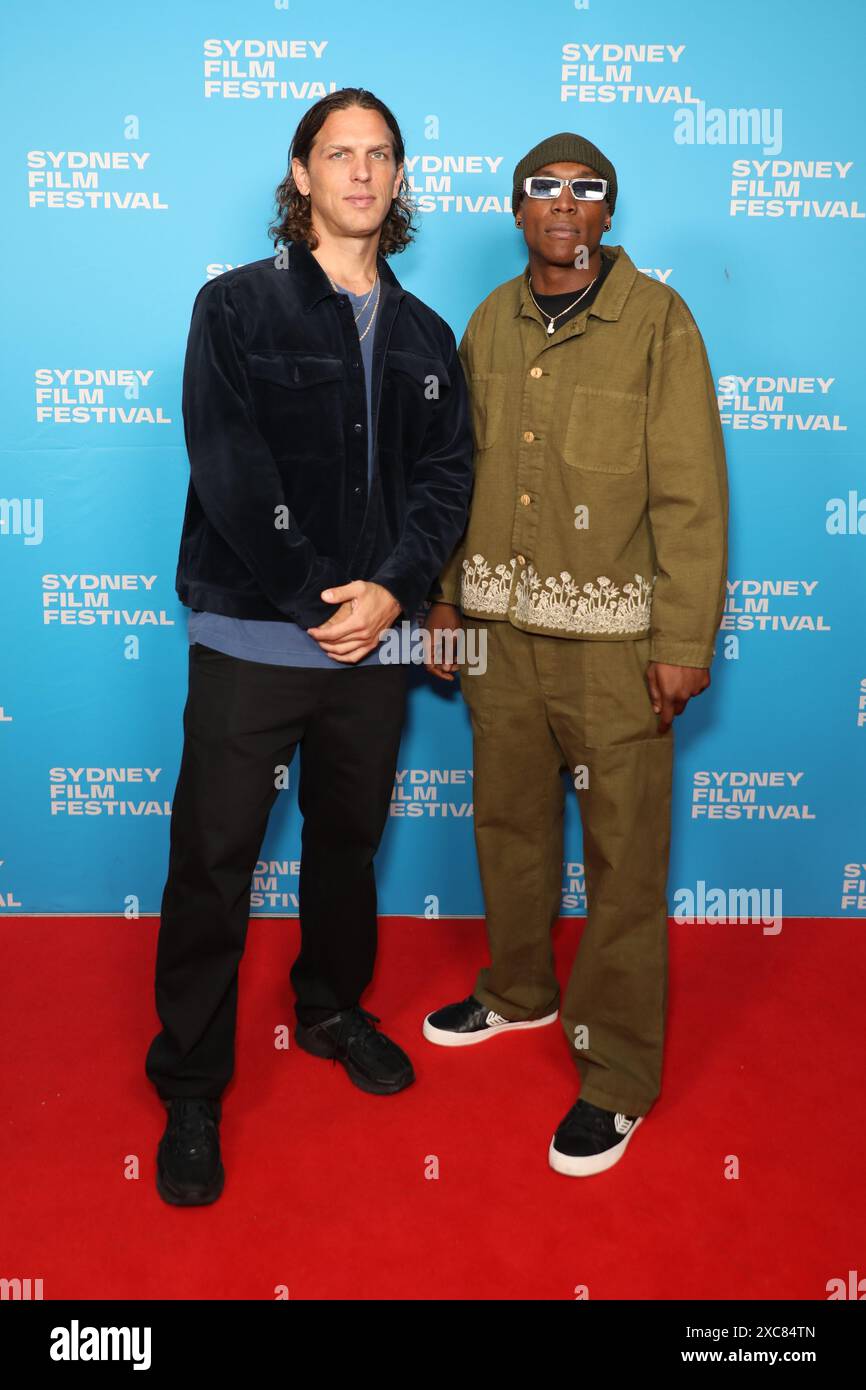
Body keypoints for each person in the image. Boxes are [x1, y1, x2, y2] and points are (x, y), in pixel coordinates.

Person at [145, 88, 473, 1205]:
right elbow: (230, 466)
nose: (363, 172)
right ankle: (191, 1084)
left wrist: (390, 592)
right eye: (341, 154)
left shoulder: (426, 335)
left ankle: (332, 1008)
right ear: (300, 175)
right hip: (251, 634)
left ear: (398, 178)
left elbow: (444, 479)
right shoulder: (234, 308)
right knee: (212, 863)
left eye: (382, 154)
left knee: (347, 848)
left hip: (372, 653)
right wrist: (312, 597)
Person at [423, 132, 729, 1177]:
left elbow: (690, 493)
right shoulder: (485, 324)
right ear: (516, 211)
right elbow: (452, 476)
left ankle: (615, 1076)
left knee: (621, 864)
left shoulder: (658, 323)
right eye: (542, 189)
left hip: (617, 652)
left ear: (607, 212)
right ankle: (517, 990)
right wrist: (443, 599)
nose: (563, 204)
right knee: (508, 825)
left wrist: (682, 640)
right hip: (500, 636)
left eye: (584, 189)